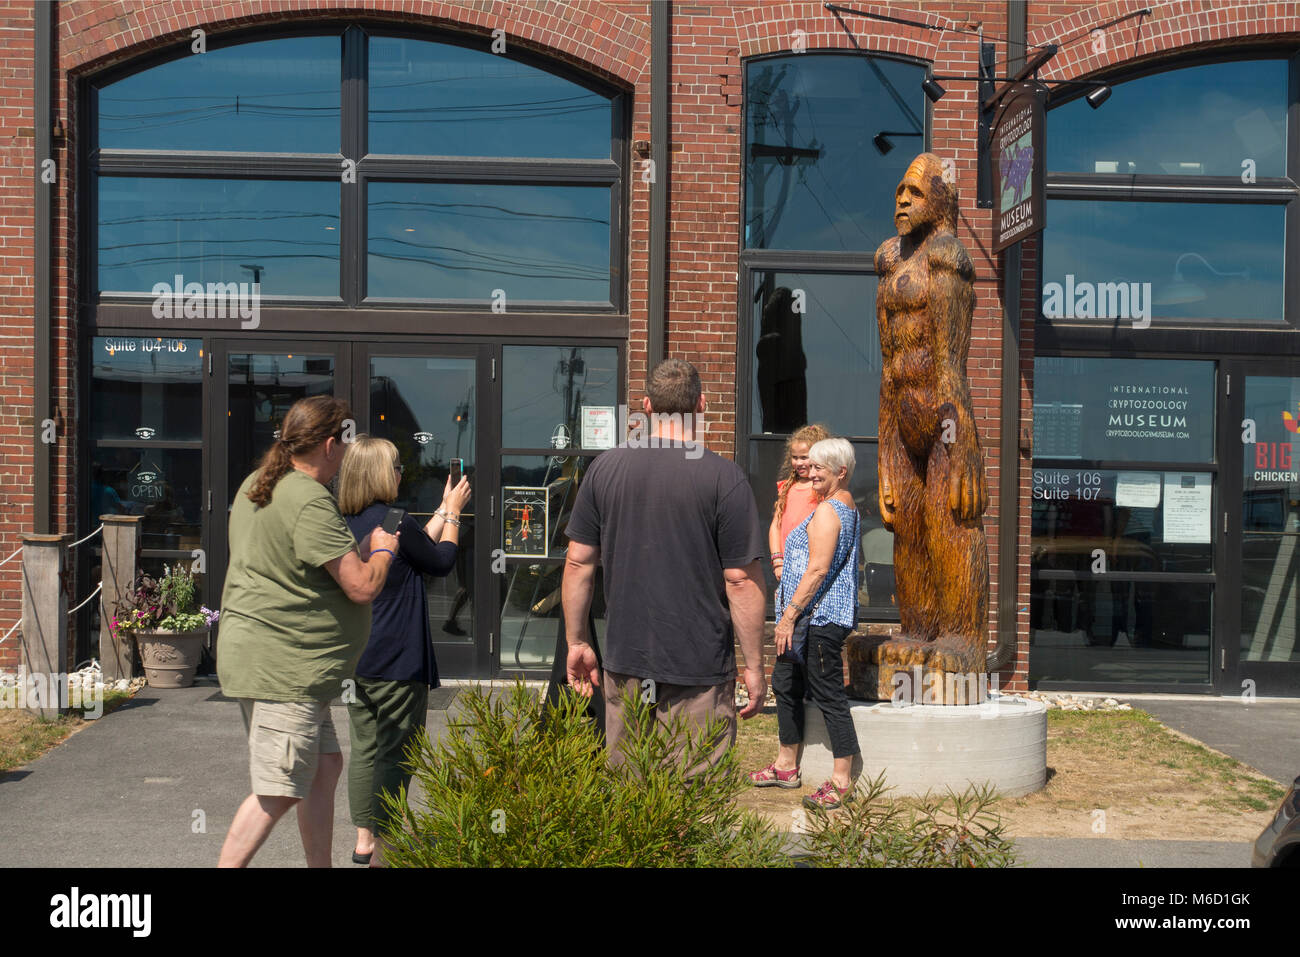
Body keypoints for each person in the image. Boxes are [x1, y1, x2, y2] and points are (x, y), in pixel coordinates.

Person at [216, 396, 399, 868]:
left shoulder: (256, 484)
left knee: (323, 768)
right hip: (287, 669)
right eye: (348, 441)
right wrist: (380, 551)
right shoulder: (308, 499)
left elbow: (291, 565)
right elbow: (360, 587)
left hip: (272, 661)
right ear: (331, 444)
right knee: (277, 790)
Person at [563, 358, 768, 772]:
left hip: (627, 662)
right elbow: (741, 581)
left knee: (630, 802)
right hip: (699, 668)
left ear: (646, 406)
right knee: (694, 802)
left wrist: (577, 642)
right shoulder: (724, 478)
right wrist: (754, 666)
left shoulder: (604, 469)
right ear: (702, 406)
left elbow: (578, 562)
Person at [338, 436, 470, 867]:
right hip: (397, 661)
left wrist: (439, 511)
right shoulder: (393, 521)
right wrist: (453, 513)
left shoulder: (343, 522)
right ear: (380, 474)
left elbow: (416, 549)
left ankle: (363, 842)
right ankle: (387, 850)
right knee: (397, 753)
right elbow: (441, 561)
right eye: (396, 467)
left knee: (365, 749)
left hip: (357, 660)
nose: (401, 474)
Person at [751, 437, 861, 810]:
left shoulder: (831, 511)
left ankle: (841, 780)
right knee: (784, 683)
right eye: (809, 465)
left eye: (819, 468)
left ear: (840, 473)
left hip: (818, 618)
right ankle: (786, 766)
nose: (810, 473)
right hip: (806, 618)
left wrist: (789, 617)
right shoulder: (838, 504)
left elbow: (817, 570)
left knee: (828, 694)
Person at [769, 424, 830, 584]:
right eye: (795, 457)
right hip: (786, 566)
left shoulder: (822, 489)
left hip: (811, 566)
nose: (798, 463)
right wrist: (777, 560)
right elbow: (776, 525)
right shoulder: (786, 487)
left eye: (804, 457)